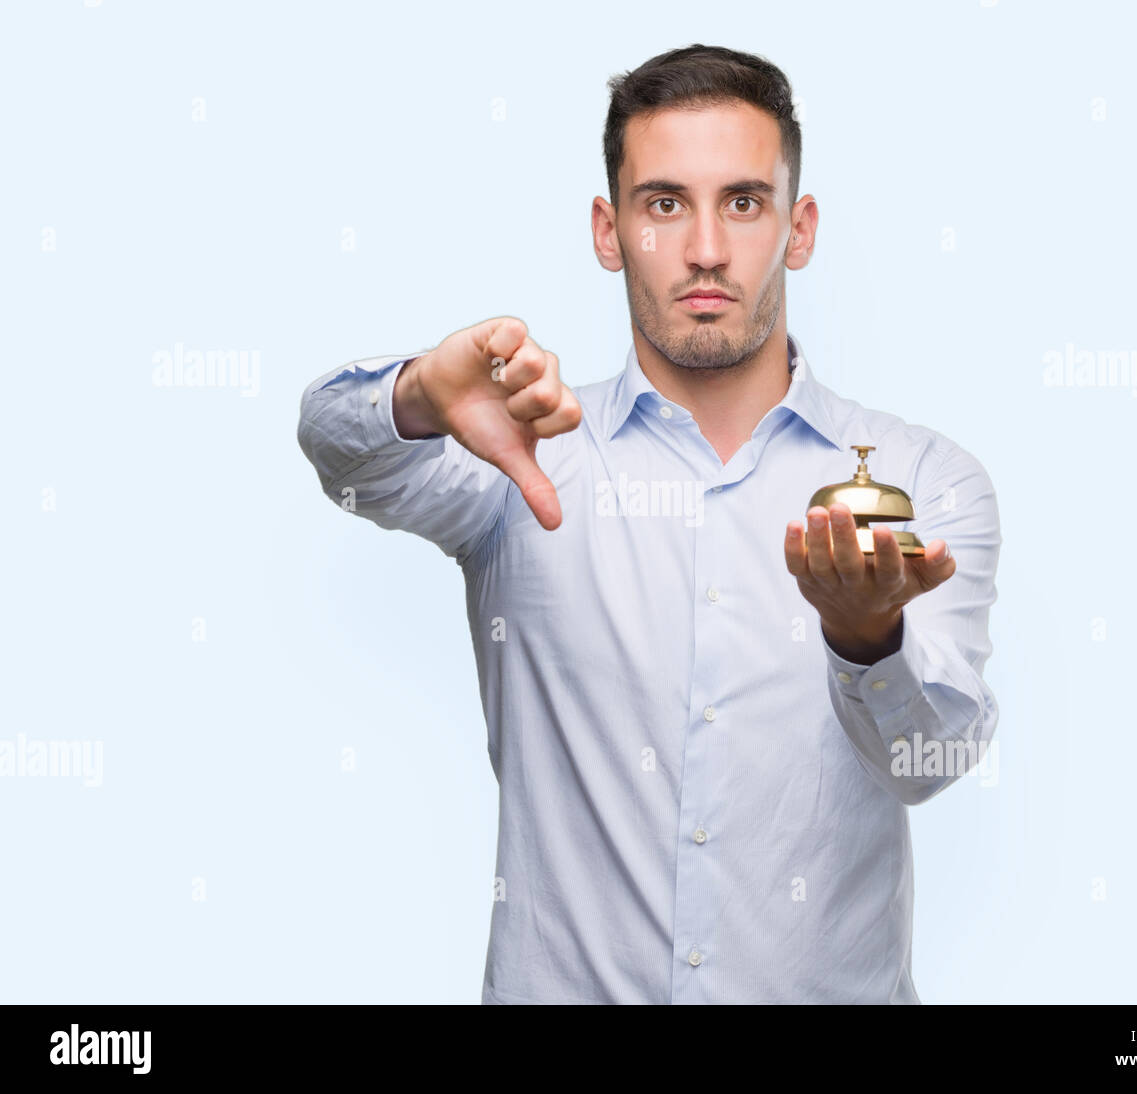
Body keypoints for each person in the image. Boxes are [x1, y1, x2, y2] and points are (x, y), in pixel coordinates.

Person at [297, 43, 1001, 1004]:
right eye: (664, 203)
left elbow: (939, 760)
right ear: (609, 228)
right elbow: (338, 449)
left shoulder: (922, 479)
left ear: (799, 230)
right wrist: (417, 393)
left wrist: (868, 641)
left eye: (744, 203)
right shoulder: (523, 453)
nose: (705, 249)